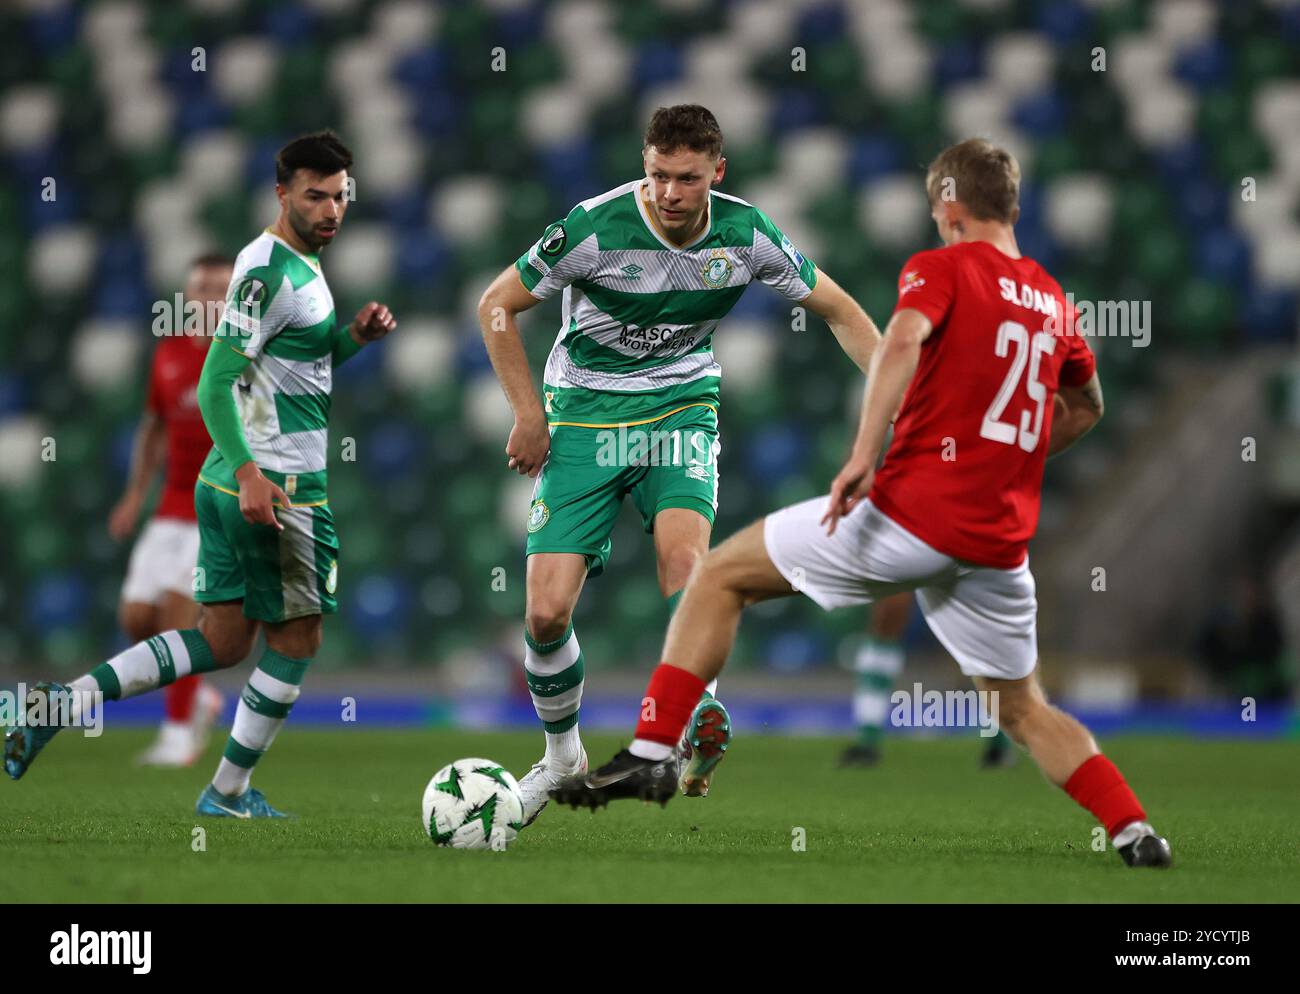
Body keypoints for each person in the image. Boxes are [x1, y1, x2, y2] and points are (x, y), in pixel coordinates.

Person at [551, 138, 1172, 869]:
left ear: (947, 204)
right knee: (1023, 708)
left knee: (718, 577)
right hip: (997, 545)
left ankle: (653, 752)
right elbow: (1087, 406)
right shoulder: (1053, 301)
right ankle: (1135, 830)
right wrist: (1002, 456)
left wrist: (861, 454)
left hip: (911, 516)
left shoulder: (938, 269)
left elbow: (902, 341)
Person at [478, 104, 880, 824]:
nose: (668, 192)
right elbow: (497, 306)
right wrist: (528, 414)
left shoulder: (747, 234)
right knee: (543, 612)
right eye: (658, 175)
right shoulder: (592, 227)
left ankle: (700, 713)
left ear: (716, 173)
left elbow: (844, 312)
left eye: (686, 179)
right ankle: (561, 757)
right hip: (582, 414)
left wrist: (897, 402)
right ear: (645, 164)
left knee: (686, 564)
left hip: (679, 411)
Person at [5, 131, 398, 820]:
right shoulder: (268, 270)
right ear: (281, 194)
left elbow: (294, 369)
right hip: (276, 487)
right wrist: (251, 474)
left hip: (227, 481)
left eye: (340, 196)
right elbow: (217, 383)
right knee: (298, 640)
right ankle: (226, 793)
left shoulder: (298, 262)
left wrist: (353, 340)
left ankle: (54, 706)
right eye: (316, 196)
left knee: (220, 640)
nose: (332, 209)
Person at [108, 253, 232, 767]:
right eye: (200, 288)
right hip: (170, 505)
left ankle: (178, 734)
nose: (209, 298)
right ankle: (199, 696)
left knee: (180, 612)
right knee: (137, 618)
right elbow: (153, 426)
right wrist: (135, 494)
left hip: (216, 503)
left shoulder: (244, 355)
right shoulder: (169, 352)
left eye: (220, 289)